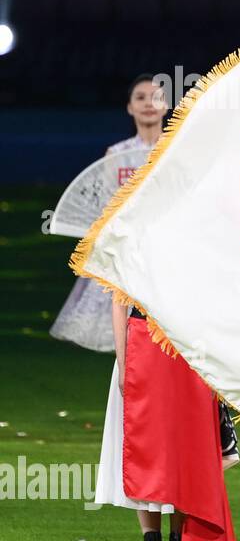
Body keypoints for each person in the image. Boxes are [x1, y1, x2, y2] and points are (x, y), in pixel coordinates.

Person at [94, 300, 237, 541]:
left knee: (183, 456)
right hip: (143, 348)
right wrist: (123, 365)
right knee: (146, 454)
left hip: (188, 349)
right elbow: (118, 305)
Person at [51, 74, 166, 352]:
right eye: (140, 97)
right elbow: (106, 204)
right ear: (129, 107)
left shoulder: (176, 149)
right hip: (128, 248)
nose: (148, 103)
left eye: (155, 97)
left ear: (166, 106)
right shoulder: (117, 153)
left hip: (166, 245)